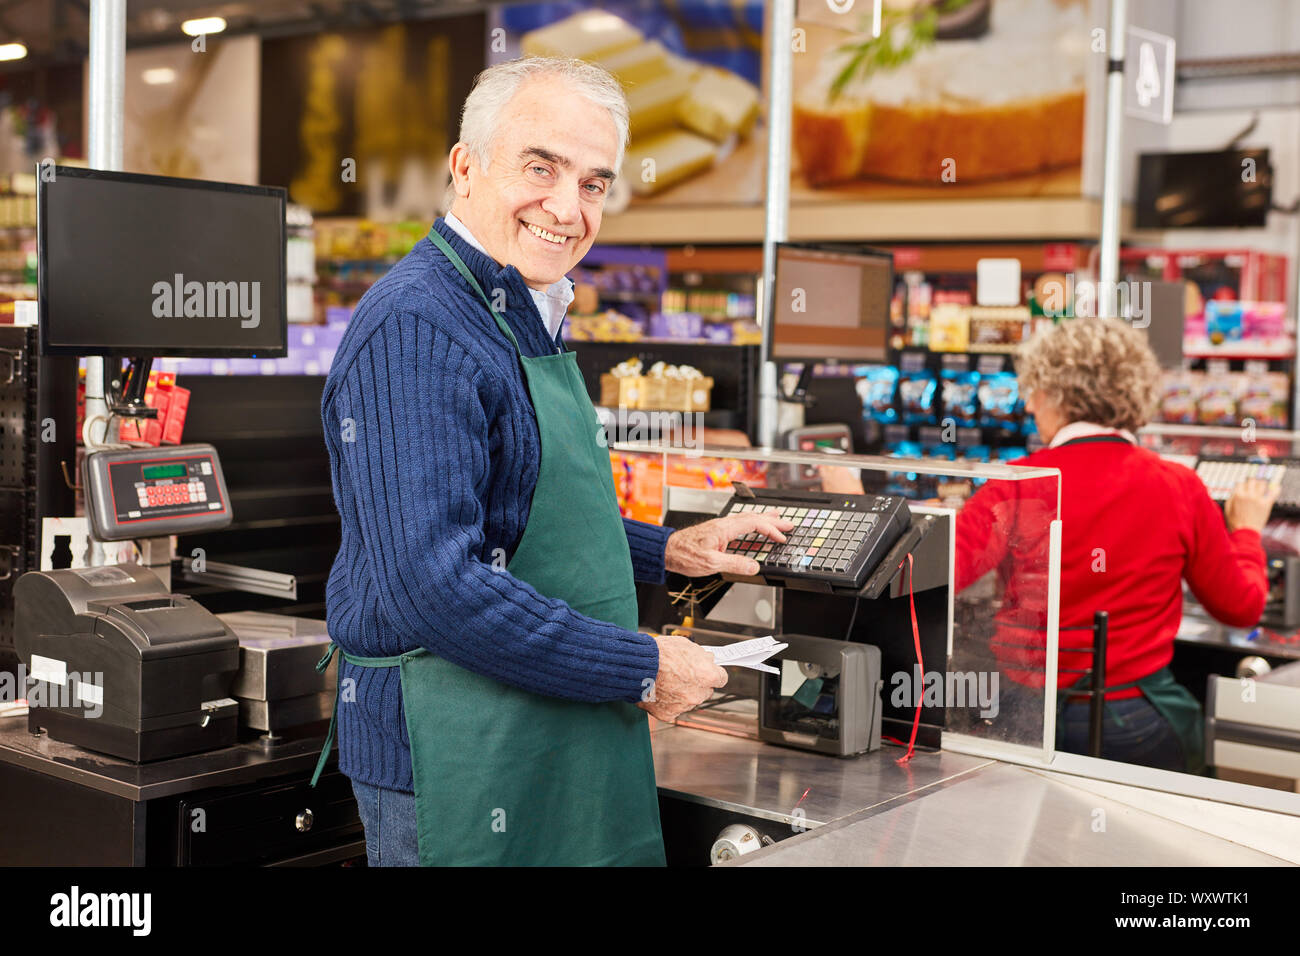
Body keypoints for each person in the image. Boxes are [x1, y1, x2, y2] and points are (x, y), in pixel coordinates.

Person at [316, 57, 793, 866]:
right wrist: (641, 664)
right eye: (541, 168)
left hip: (545, 724)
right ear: (465, 167)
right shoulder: (418, 326)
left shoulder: (515, 306)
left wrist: (673, 550)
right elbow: (436, 584)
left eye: (595, 184)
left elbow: (519, 513)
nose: (568, 208)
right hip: (454, 746)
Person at [956, 317, 1276, 772]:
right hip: (1135, 719)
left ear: (1053, 394)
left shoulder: (1014, 483)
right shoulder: (1178, 486)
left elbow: (940, 574)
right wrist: (1245, 530)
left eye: (1033, 391)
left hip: (1021, 716)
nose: (1028, 405)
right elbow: (1241, 608)